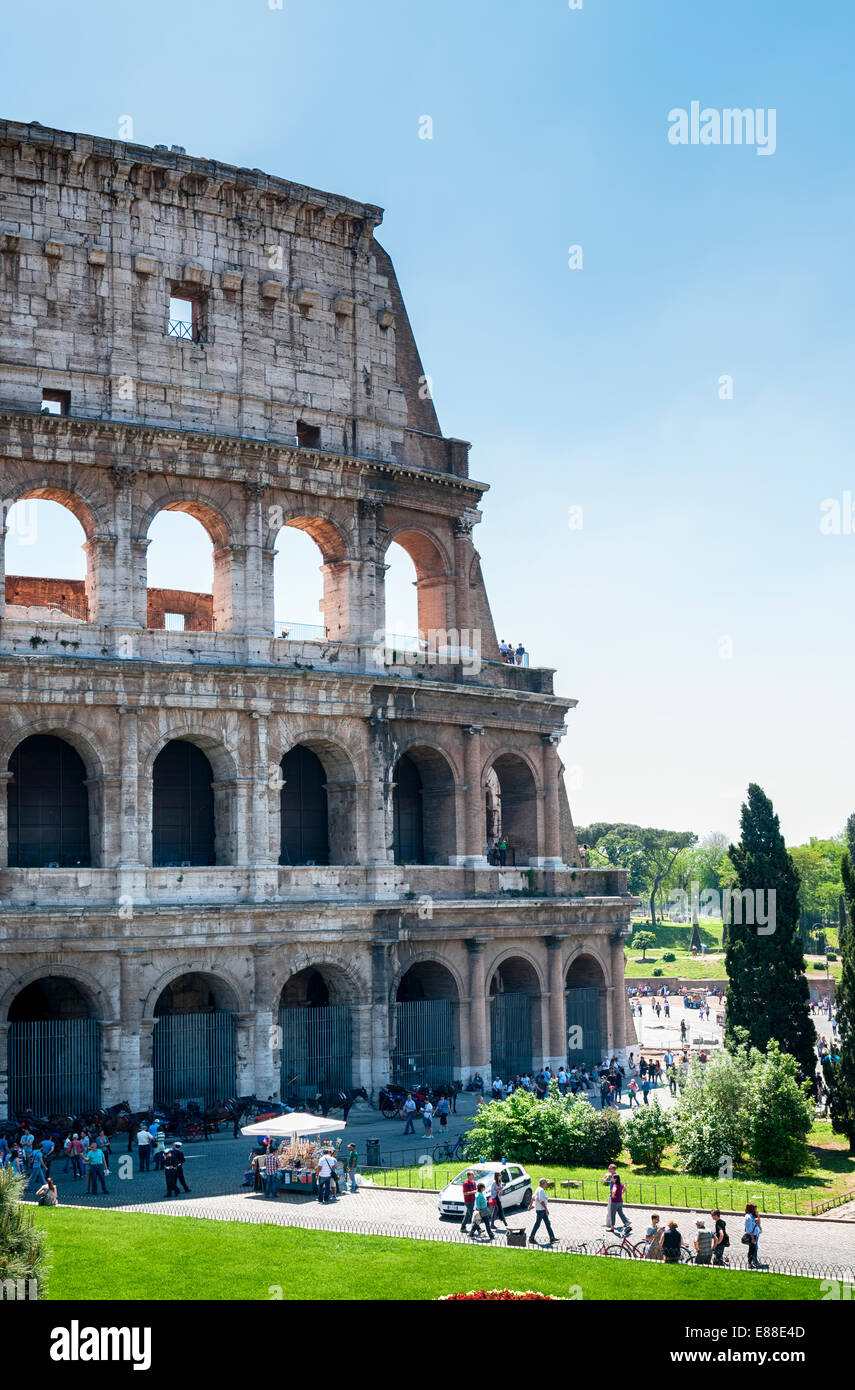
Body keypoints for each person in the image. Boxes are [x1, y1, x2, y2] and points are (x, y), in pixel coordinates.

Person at [529, 1178, 555, 1245]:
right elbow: (541, 1201)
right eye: (546, 1182)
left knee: (548, 1224)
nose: (547, 1183)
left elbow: (533, 1198)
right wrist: (546, 1209)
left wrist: (530, 1205)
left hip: (541, 1210)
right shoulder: (541, 1191)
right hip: (541, 1210)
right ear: (543, 1183)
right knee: (537, 1224)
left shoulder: (538, 1189)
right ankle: (531, 1237)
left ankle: (552, 1237)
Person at [744, 1204, 761, 1268]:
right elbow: (749, 1229)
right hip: (752, 1235)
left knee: (755, 1248)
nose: (755, 1210)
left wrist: (757, 1215)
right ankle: (750, 1263)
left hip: (755, 1234)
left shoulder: (752, 1215)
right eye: (754, 1209)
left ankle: (754, 1261)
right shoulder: (748, 1217)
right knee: (752, 1249)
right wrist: (753, 1238)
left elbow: (758, 1223)